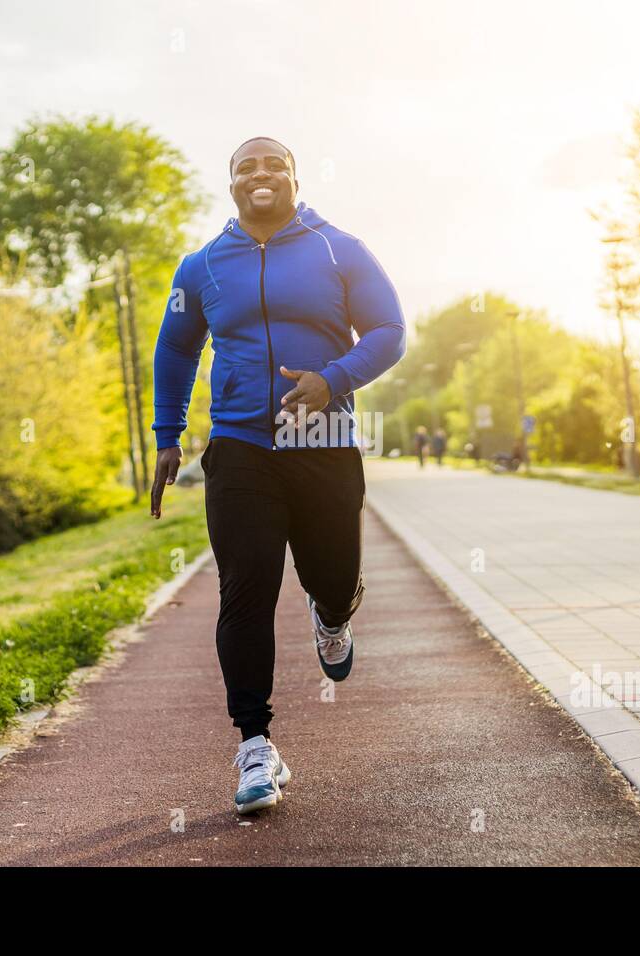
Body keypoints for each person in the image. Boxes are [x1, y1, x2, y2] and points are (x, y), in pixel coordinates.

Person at [149, 136, 406, 814]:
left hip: (323, 439)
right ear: (231, 183)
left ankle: (332, 613)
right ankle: (255, 744)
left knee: (329, 574)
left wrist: (333, 380)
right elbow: (175, 347)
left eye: (273, 165)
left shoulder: (337, 249)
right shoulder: (202, 266)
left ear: (294, 176)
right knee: (246, 588)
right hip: (239, 446)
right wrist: (167, 436)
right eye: (246, 167)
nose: (260, 175)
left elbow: (388, 329)